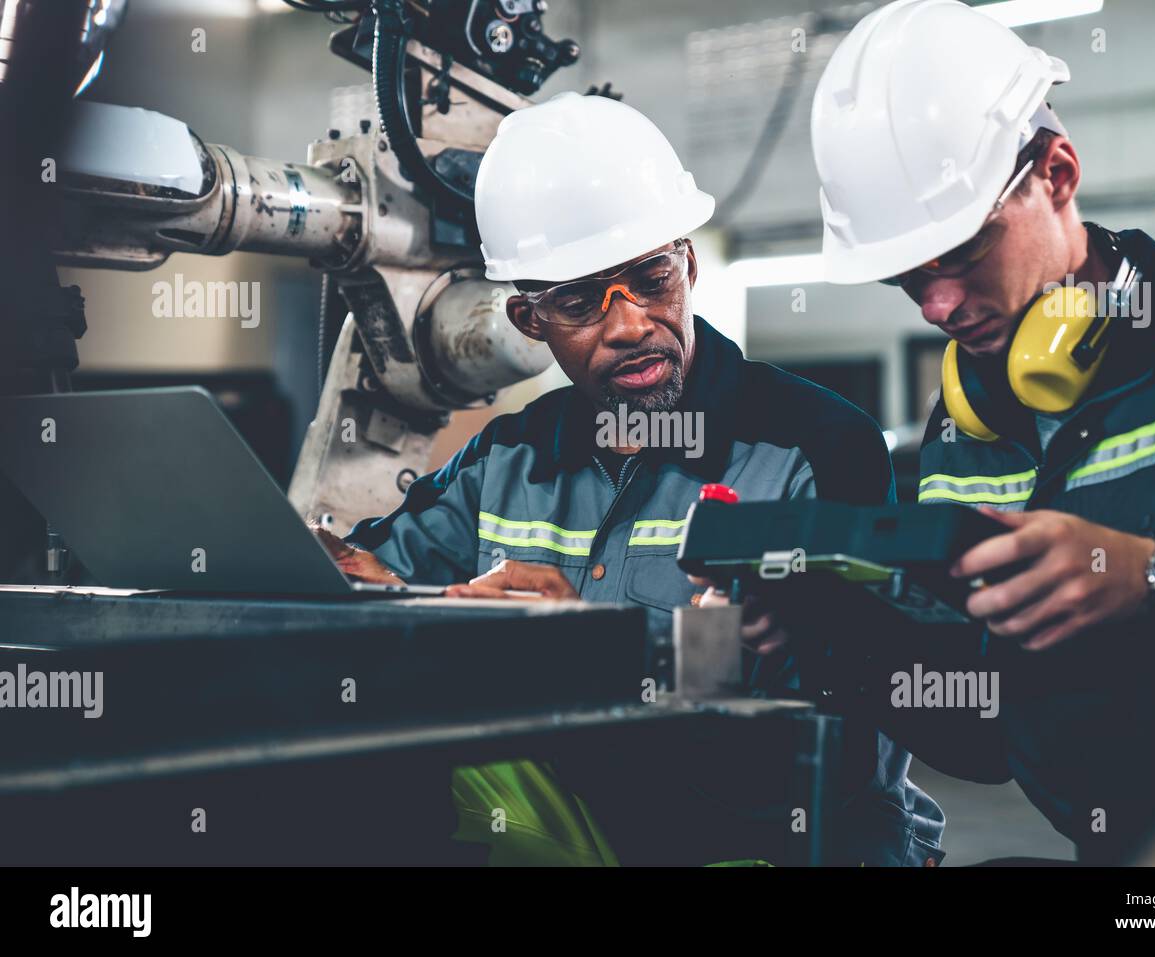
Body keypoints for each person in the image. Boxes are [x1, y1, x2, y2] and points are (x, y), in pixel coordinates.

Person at [319, 91, 943, 865]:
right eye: (580, 301)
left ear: (685, 263)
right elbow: (378, 570)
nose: (628, 325)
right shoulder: (508, 458)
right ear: (529, 323)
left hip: (770, 834)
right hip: (602, 816)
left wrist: (603, 655)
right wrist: (342, 577)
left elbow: (843, 750)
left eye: (649, 278)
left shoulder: (814, 449)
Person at [806, 0, 1155, 862]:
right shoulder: (965, 430)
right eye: (904, 281)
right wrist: (839, 646)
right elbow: (987, 740)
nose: (939, 307)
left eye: (960, 255)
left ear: (1058, 173)